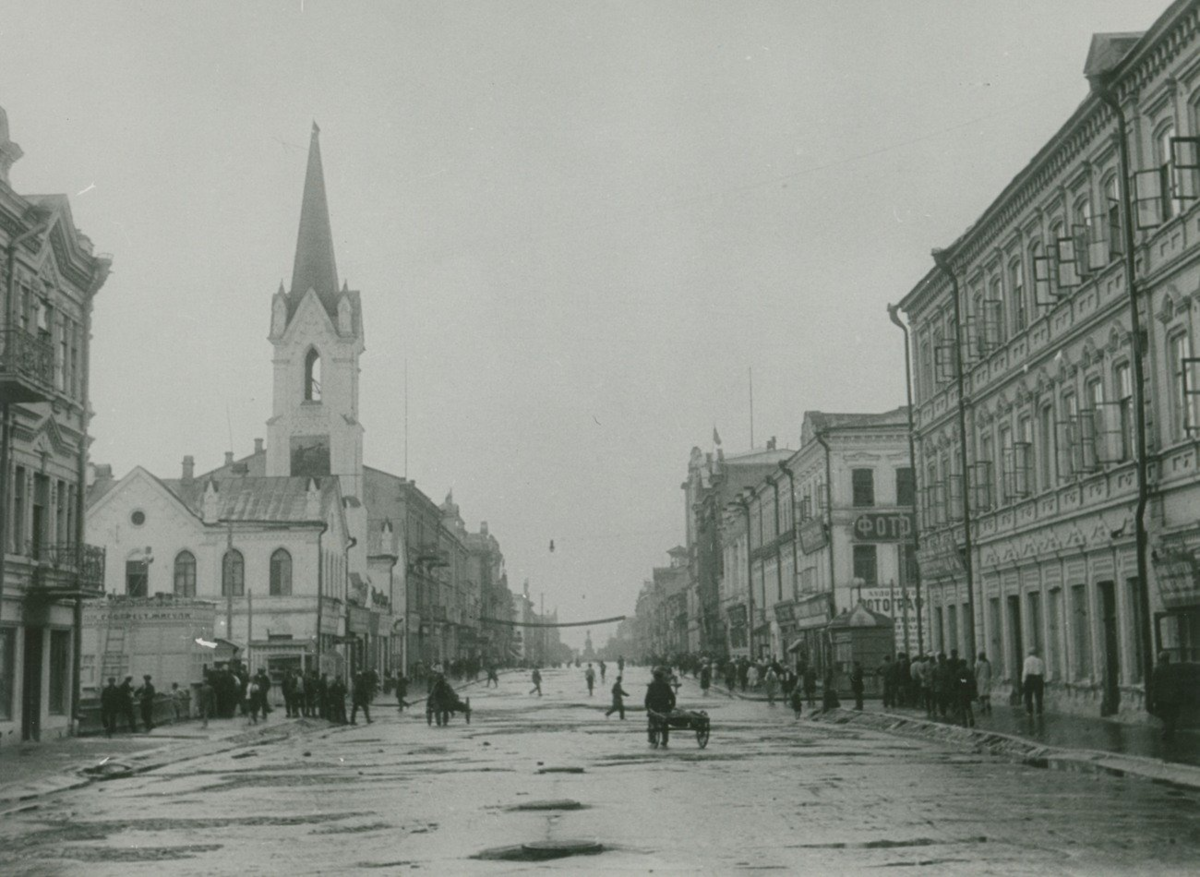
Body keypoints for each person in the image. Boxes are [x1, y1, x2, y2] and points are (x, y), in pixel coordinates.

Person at [1151, 651, 1184, 741]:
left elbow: (1155, 686)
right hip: (1172, 697)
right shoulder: (1173, 669)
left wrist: (1153, 699)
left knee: (1164, 716)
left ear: (1160, 659)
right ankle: (1170, 733)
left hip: (1161, 698)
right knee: (1171, 716)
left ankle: (1166, 733)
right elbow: (1177, 684)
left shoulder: (1157, 669)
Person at [644, 668, 677, 748]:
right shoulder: (666, 685)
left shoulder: (652, 685)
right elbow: (672, 696)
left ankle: (652, 738)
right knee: (665, 724)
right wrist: (672, 705)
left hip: (654, 706)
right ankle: (664, 740)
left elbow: (648, 697)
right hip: (665, 706)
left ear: (655, 677)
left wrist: (647, 706)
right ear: (662, 677)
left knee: (652, 722)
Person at [1022, 648, 1045, 716]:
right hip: (1038, 678)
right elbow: (1042, 670)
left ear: (1029, 653)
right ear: (1035, 653)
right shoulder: (1040, 660)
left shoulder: (1027, 660)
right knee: (1039, 696)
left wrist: (1023, 681)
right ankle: (1039, 712)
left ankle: (1029, 711)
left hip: (1030, 678)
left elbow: (1025, 671)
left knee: (1028, 696)